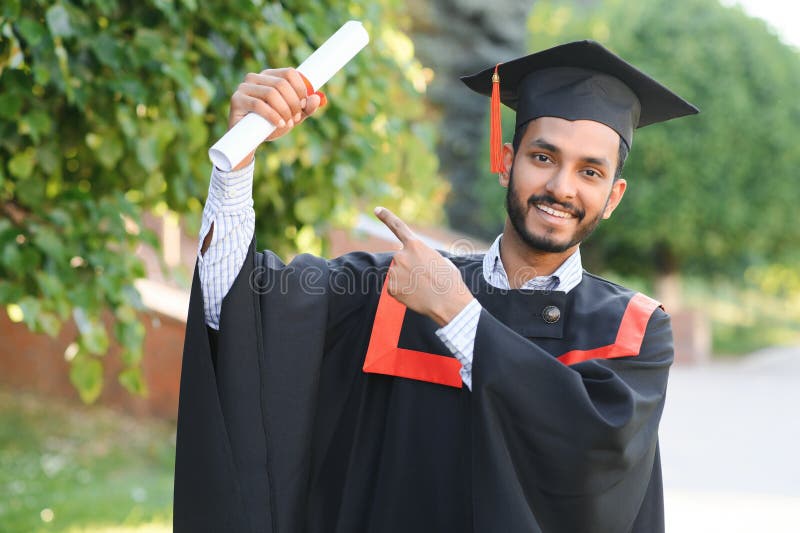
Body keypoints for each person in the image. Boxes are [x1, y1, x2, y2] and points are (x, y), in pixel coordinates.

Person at [173, 40, 698, 532]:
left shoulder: (634, 330)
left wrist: (456, 312)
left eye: (590, 172)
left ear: (613, 196)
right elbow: (235, 313)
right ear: (507, 161)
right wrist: (236, 166)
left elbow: (592, 458)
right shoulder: (394, 289)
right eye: (543, 157)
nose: (561, 187)